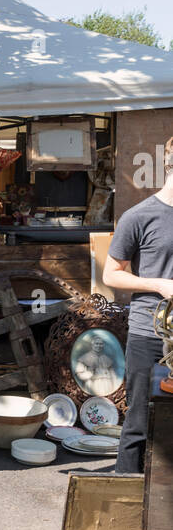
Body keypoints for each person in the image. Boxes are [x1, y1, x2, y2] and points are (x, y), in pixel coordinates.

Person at [104, 134, 173, 473]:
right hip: (151, 334)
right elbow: (111, 275)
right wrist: (157, 284)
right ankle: (127, 503)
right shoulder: (139, 216)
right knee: (140, 421)